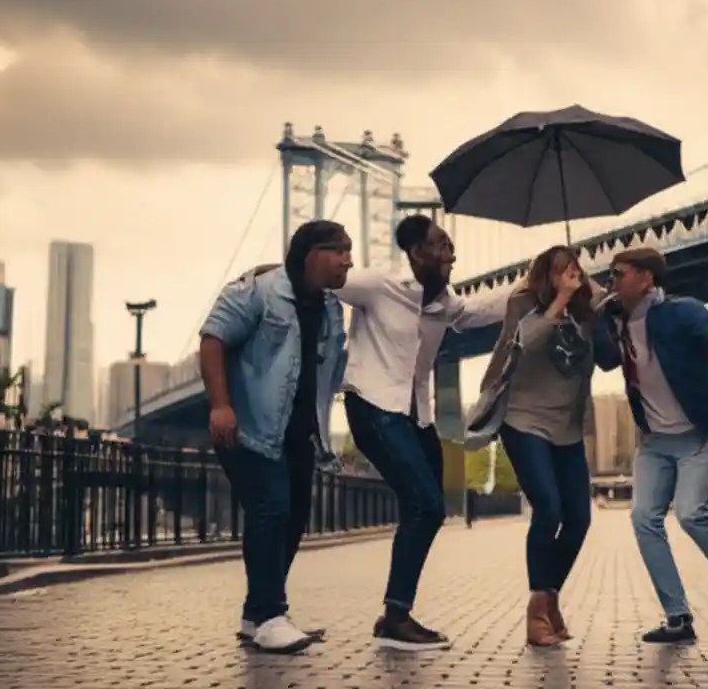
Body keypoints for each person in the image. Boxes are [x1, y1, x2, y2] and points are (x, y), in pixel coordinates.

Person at [335, 213, 507, 651]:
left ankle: (395, 613)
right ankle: (395, 617)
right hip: (373, 407)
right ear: (416, 253)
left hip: (416, 417)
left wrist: (537, 283)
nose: (452, 254)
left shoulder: (443, 303)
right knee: (424, 502)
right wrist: (280, 270)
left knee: (431, 509)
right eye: (443, 244)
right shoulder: (377, 286)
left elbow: (481, 309)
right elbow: (326, 277)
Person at [198, 220, 352, 653]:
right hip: (248, 428)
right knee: (270, 509)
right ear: (311, 255)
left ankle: (257, 615)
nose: (349, 260)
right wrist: (220, 406)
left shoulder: (331, 308)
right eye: (339, 251)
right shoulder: (260, 291)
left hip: (298, 433)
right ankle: (270, 614)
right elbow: (212, 340)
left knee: (294, 517)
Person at [591, 247, 708, 646]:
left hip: (698, 433)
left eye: (619, 273)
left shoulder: (682, 312)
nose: (612, 281)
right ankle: (677, 617)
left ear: (646, 278)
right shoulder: (615, 319)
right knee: (644, 518)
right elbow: (608, 361)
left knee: (692, 515)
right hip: (656, 441)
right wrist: (594, 315)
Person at [477, 246, 600, 647]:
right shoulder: (522, 303)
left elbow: (608, 349)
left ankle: (549, 597)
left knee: (579, 517)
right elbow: (523, 345)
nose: (572, 277)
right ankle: (536, 610)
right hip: (524, 419)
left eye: (575, 270)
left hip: (567, 425)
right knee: (548, 506)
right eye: (562, 272)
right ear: (546, 276)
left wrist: (589, 299)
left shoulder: (587, 307)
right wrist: (560, 301)